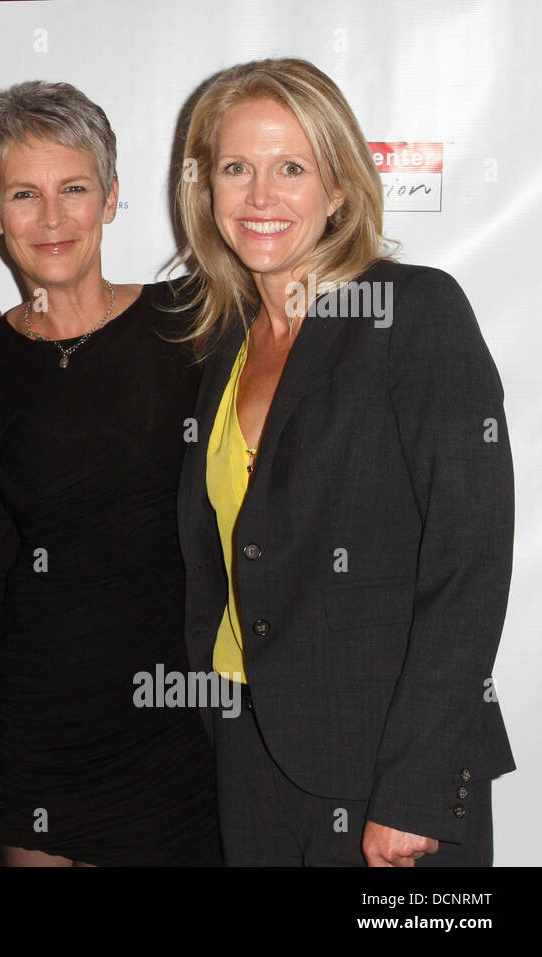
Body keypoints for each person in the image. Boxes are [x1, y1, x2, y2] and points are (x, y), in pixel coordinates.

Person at [173, 57, 514, 866]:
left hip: (385, 772)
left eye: (292, 167)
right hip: (249, 758)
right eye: (235, 169)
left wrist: (415, 789)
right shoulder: (221, 346)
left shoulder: (414, 311)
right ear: (205, 190)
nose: (260, 197)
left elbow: (468, 560)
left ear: (338, 190)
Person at [0, 81, 220, 866]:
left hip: (179, 717)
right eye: (24, 193)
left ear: (111, 198)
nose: (51, 217)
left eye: (74, 189)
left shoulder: (196, 322)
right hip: (40, 710)